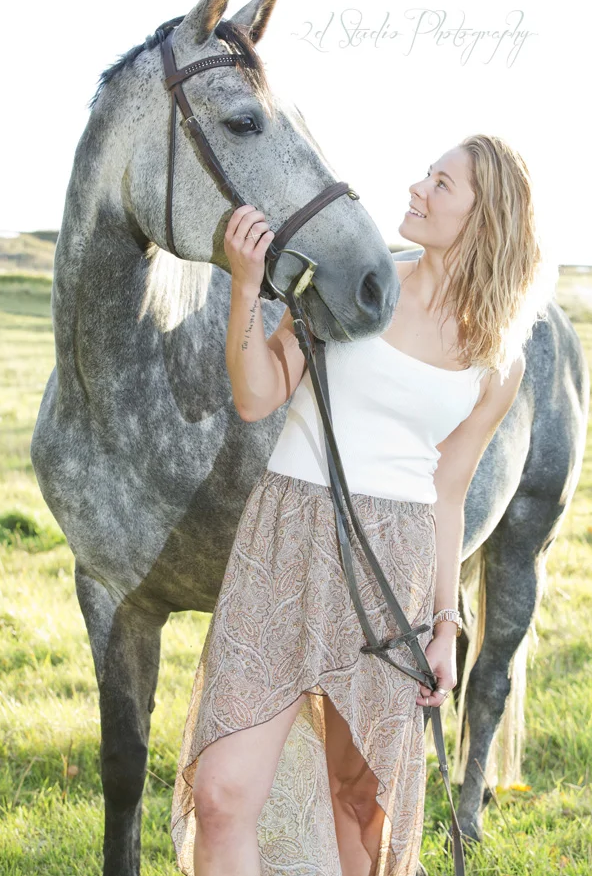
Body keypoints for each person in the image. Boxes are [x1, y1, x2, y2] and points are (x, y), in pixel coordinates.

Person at [170, 134, 555, 876]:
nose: (416, 187)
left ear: (487, 218)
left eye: (441, 184)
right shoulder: (346, 287)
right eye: (427, 174)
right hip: (283, 538)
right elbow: (255, 396)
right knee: (221, 795)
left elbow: (449, 491)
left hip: (391, 565)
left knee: (360, 802)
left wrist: (447, 627)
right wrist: (247, 287)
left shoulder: (496, 359)